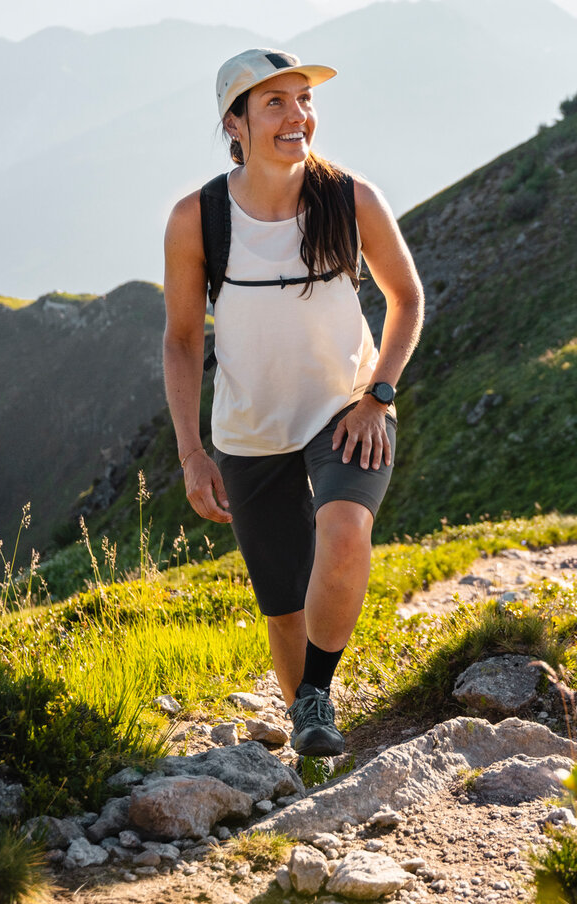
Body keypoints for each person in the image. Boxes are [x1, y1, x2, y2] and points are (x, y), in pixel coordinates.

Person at [163, 49, 423, 756]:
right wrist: (191, 452)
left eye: (303, 99)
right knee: (282, 605)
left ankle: (318, 690)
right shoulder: (200, 219)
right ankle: (311, 736)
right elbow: (183, 340)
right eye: (274, 102)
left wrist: (379, 394)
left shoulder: (350, 198)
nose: (297, 115)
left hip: (348, 406)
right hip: (249, 428)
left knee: (342, 537)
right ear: (235, 123)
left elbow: (407, 299)